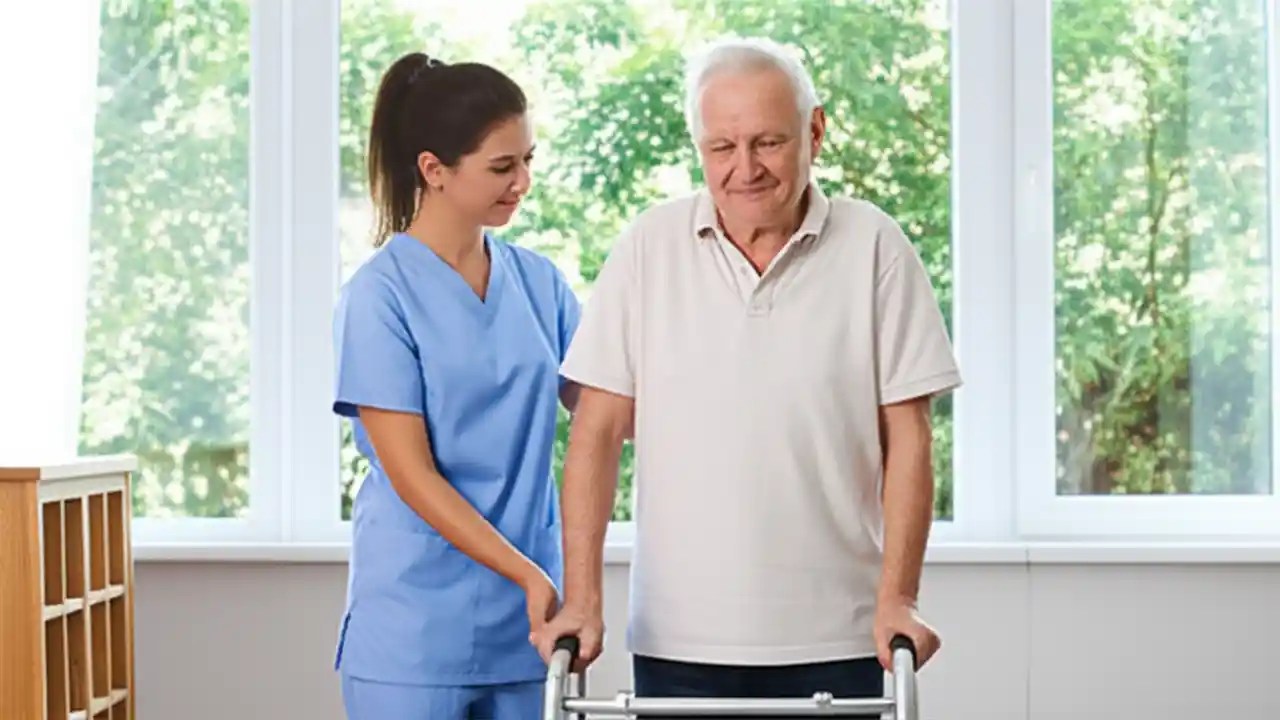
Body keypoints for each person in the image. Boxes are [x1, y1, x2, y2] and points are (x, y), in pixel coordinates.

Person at [533, 35, 961, 710]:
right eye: (722, 147)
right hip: (679, 638)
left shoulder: (875, 246)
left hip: (838, 635)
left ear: (814, 132)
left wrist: (899, 598)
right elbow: (597, 431)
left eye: (768, 142)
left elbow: (909, 439)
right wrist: (583, 599)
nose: (746, 168)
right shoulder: (649, 246)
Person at [331, 52, 581, 719]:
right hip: (416, 629)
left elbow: (608, 414)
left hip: (529, 626)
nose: (523, 182)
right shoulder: (379, 297)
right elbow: (411, 475)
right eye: (502, 167)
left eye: (528, 160)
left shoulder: (540, 284)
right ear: (433, 169)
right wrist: (527, 572)